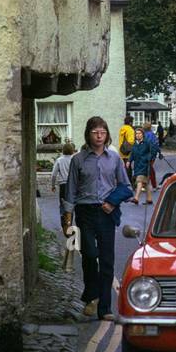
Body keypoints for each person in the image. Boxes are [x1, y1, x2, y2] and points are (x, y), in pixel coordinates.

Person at [62, 116, 133, 320]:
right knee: (90, 255)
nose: (99, 135)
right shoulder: (78, 159)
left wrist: (112, 202)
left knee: (107, 260)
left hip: (106, 213)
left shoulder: (114, 159)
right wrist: (67, 218)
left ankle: (105, 309)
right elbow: (71, 190)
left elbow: (126, 187)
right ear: (88, 134)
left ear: (107, 134)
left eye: (103, 131)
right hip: (85, 212)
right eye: (95, 132)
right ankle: (91, 295)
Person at [50, 141, 76, 232]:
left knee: (62, 205)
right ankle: (70, 224)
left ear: (63, 150)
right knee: (71, 204)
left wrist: (53, 185)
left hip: (63, 185)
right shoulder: (75, 159)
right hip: (73, 185)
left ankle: (63, 225)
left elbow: (53, 174)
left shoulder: (59, 160)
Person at [131, 128, 156, 205]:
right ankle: (149, 199)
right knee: (146, 183)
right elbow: (132, 154)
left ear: (142, 135)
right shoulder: (135, 144)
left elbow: (154, 150)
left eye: (139, 133)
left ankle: (136, 198)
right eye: (136, 133)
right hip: (137, 165)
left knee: (139, 180)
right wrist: (129, 161)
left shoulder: (147, 142)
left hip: (145, 165)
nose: (138, 135)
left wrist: (150, 158)